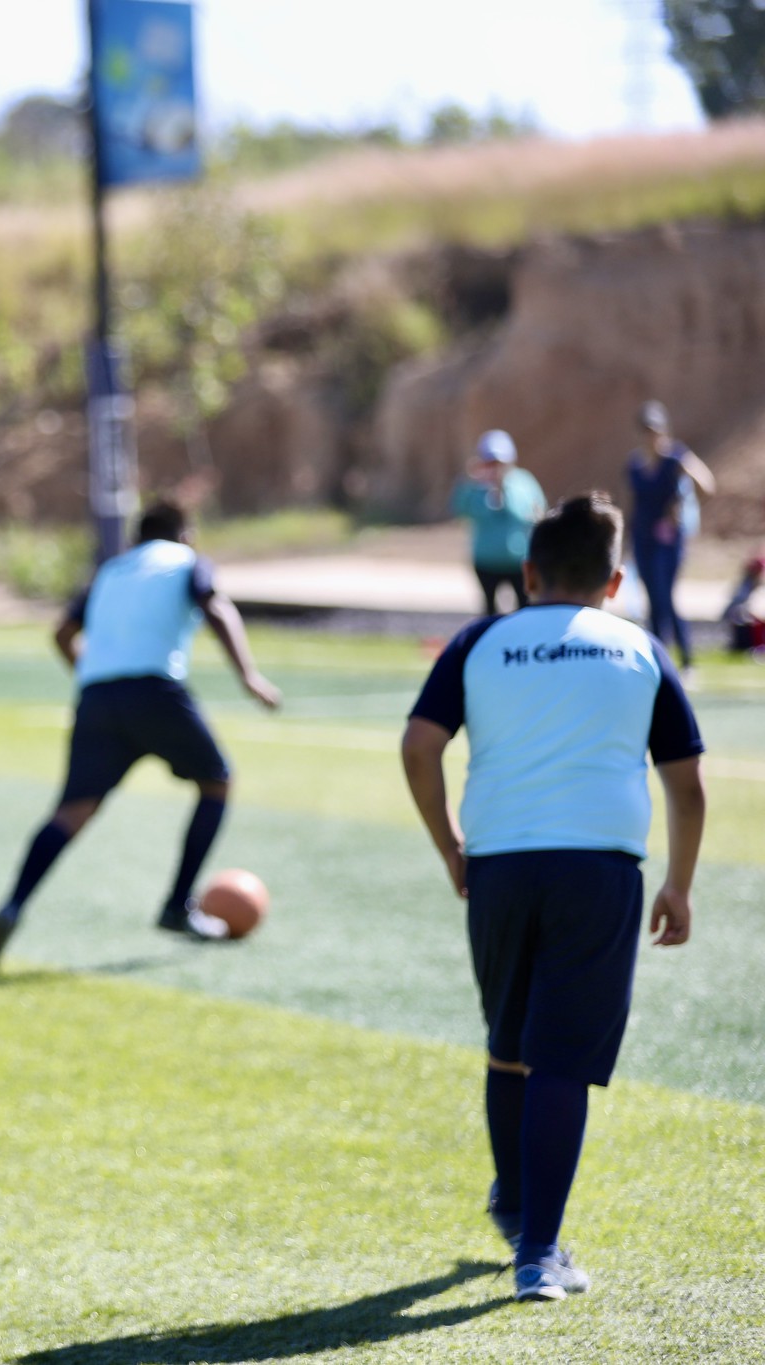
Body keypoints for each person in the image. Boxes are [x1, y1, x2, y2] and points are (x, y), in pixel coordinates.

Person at [401, 493, 705, 1303]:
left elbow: (419, 745)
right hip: (598, 870)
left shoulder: (480, 639)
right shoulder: (637, 647)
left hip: (499, 865)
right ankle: (539, 1251)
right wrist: (679, 881)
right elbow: (688, 784)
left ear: (529, 574)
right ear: (614, 583)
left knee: (510, 1041)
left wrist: (450, 846)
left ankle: (514, 1198)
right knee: (563, 1056)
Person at [0, 500, 282, 975]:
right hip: (156, 692)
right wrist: (249, 676)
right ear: (184, 532)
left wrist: (91, 677)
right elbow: (216, 606)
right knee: (217, 782)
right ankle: (177, 905)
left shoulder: (111, 571)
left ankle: (13, 904)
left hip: (97, 699)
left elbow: (62, 632)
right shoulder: (186, 561)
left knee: (71, 812)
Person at [624, 401, 716, 672]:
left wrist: (682, 509)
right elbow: (631, 503)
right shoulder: (635, 465)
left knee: (666, 596)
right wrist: (626, 539)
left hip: (667, 539)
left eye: (655, 430)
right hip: (642, 537)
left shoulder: (676, 457)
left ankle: (687, 661)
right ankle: (659, 659)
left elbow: (707, 485)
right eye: (646, 430)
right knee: (651, 599)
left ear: (664, 430)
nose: (650, 436)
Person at [451, 430, 546, 616]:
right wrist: (470, 484)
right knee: (489, 612)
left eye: (499, 463)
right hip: (486, 561)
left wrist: (504, 492)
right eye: (490, 462)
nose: (495, 468)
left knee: (525, 609)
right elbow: (460, 509)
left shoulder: (522, 482)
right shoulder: (474, 486)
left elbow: (531, 515)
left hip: (519, 561)